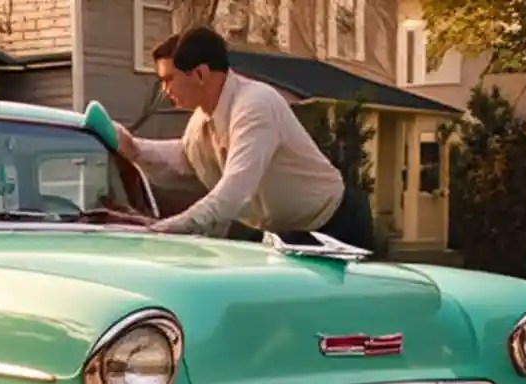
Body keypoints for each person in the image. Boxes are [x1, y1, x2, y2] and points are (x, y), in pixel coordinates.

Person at [114, 26, 376, 250]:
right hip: (286, 235)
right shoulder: (201, 120)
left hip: (337, 228)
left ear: (201, 74)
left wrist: (164, 230)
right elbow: (187, 156)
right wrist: (134, 149)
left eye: (169, 79)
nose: (164, 90)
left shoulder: (255, 105)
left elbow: (233, 193)